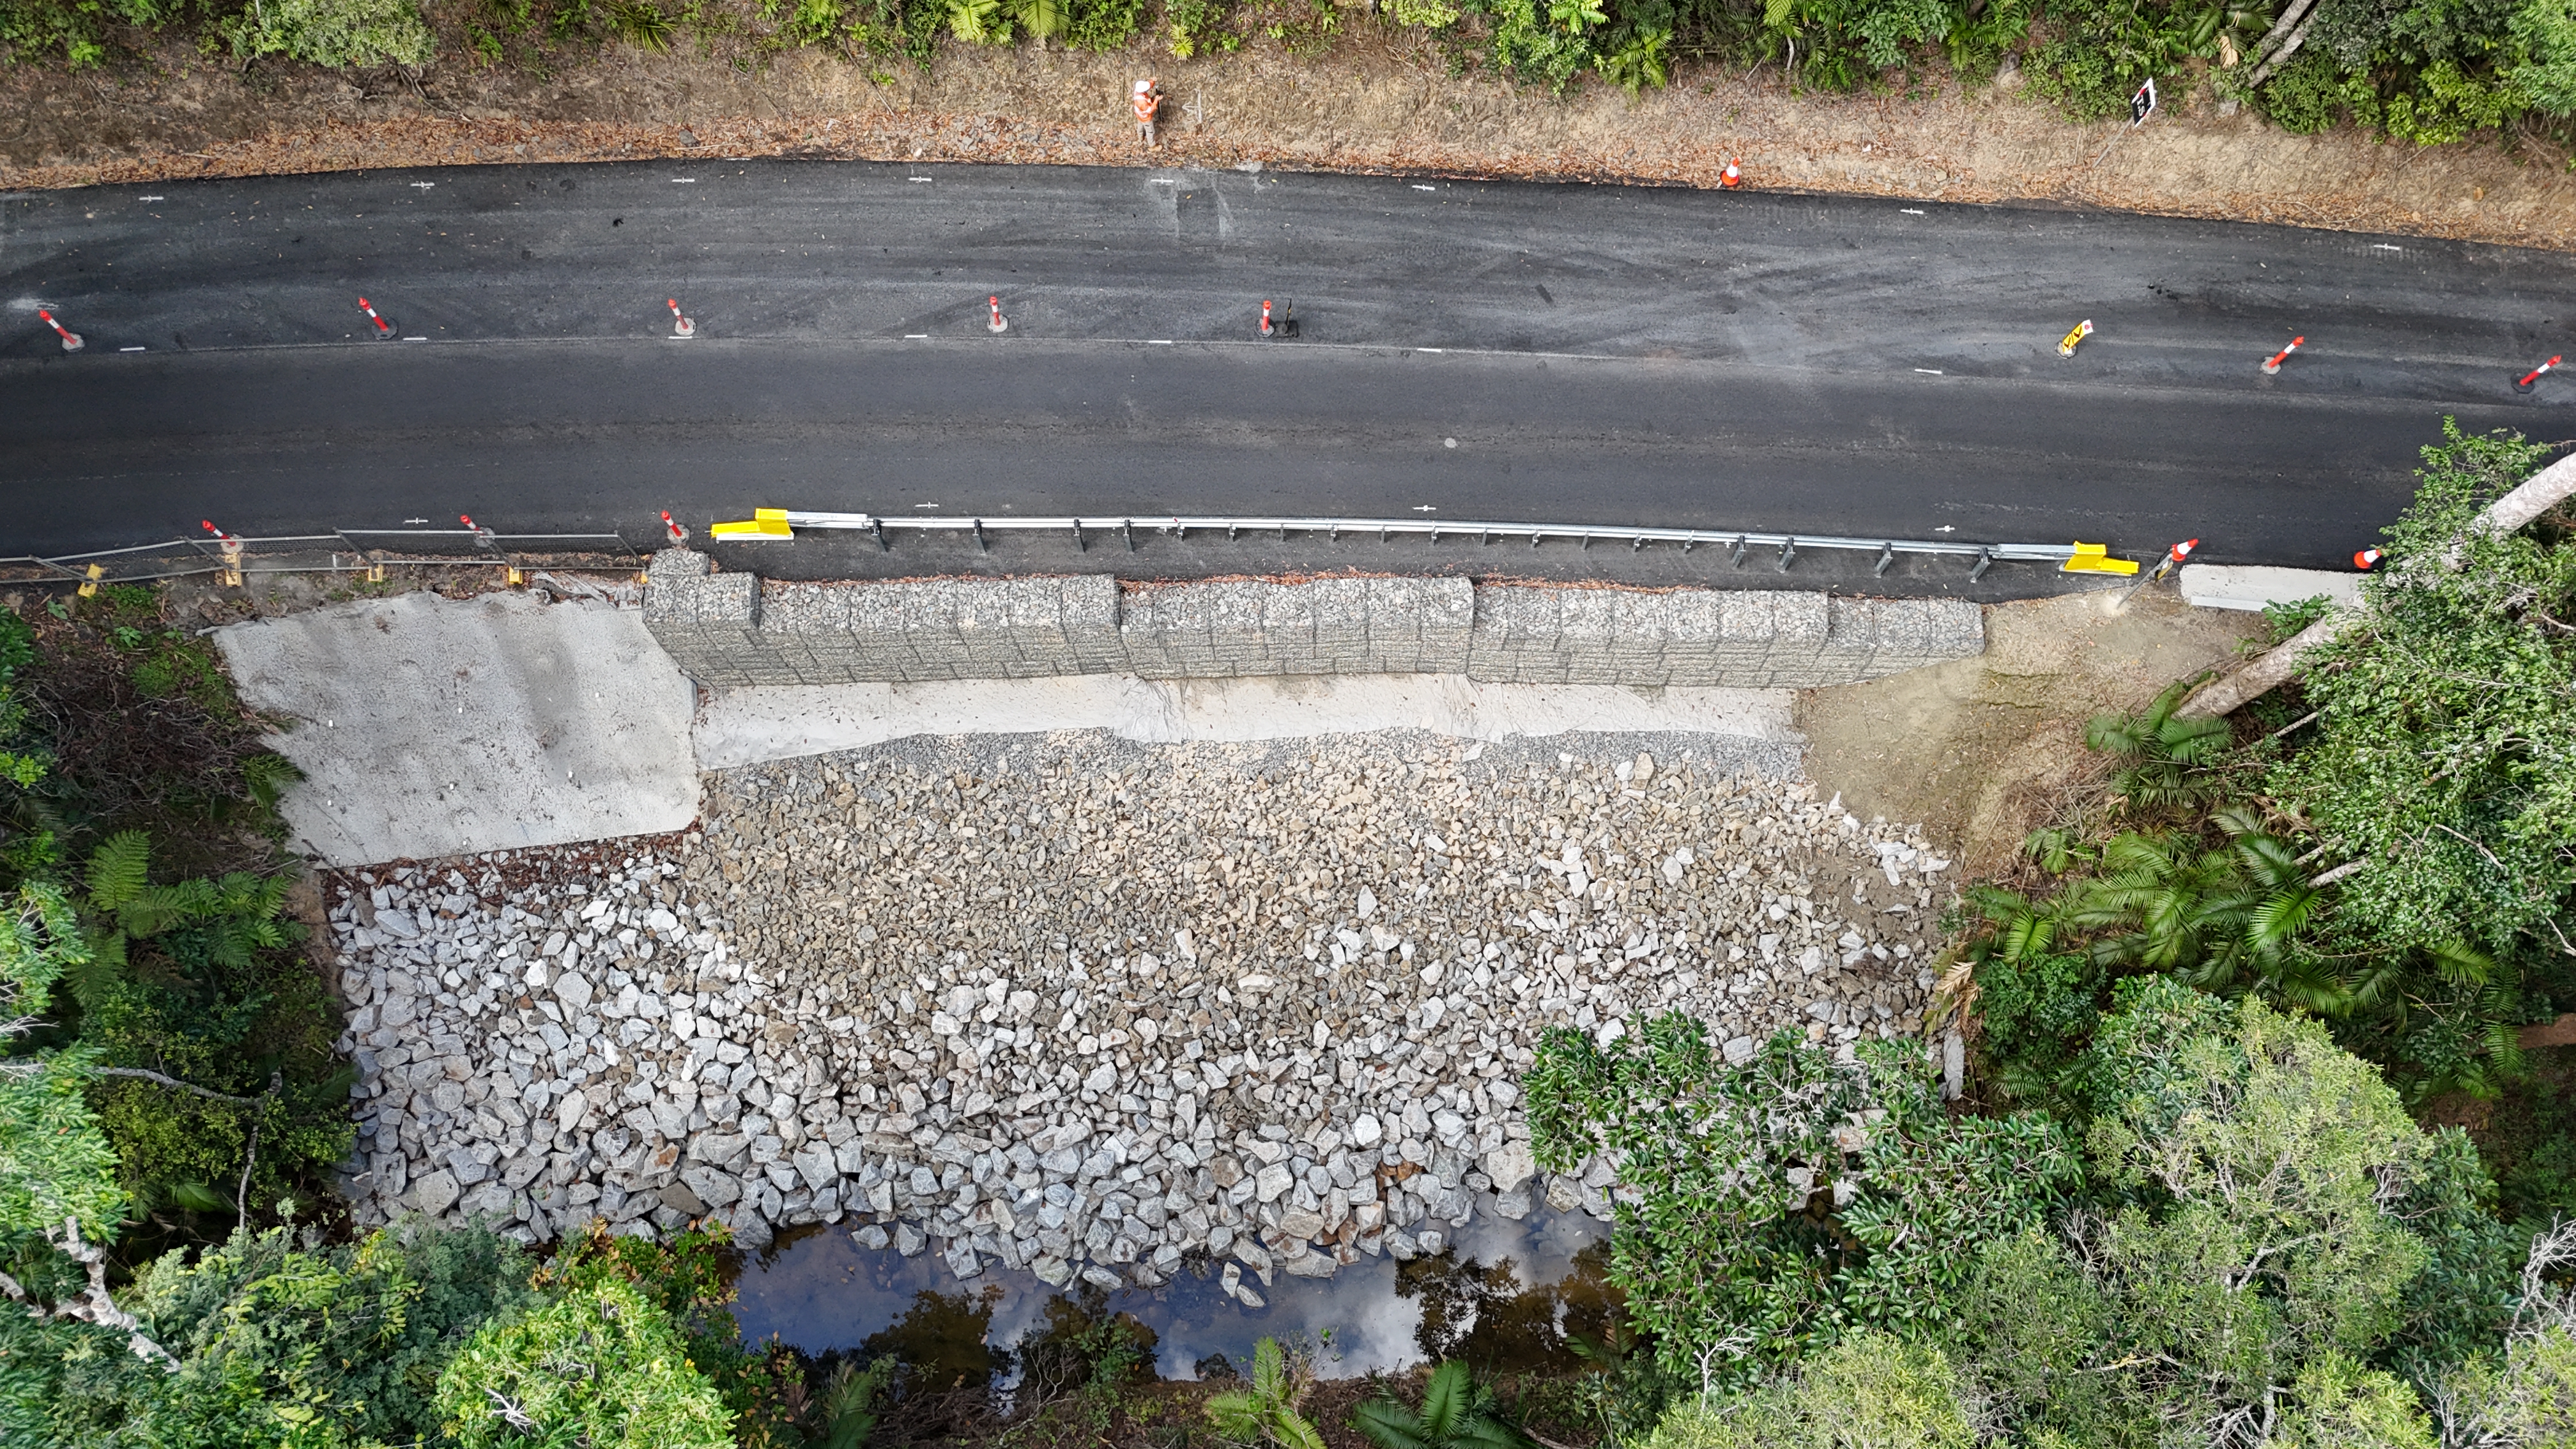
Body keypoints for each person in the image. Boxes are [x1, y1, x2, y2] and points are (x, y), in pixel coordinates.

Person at [1133, 79, 1163, 148]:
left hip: (1139, 115)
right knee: (1150, 131)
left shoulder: (1137, 91)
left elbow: (1148, 86)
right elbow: (1150, 110)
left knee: (1140, 125)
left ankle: (1140, 137)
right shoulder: (1142, 102)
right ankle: (1152, 145)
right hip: (1146, 117)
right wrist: (1156, 100)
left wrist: (1153, 81)